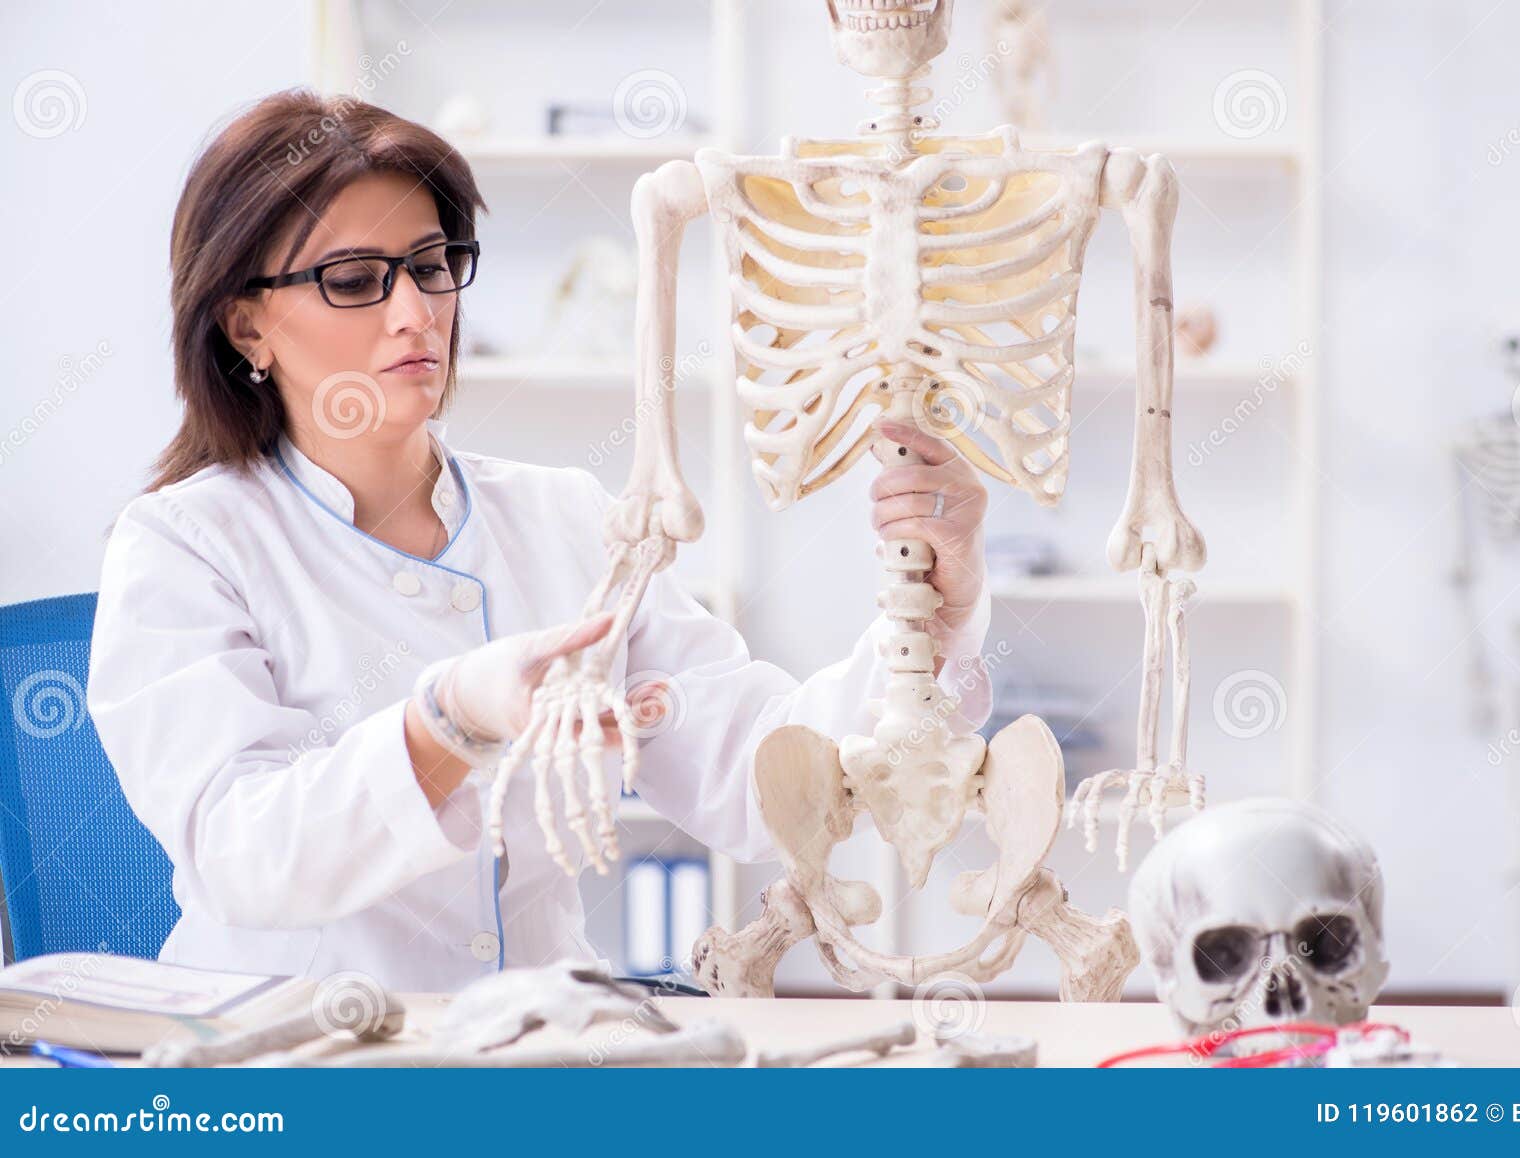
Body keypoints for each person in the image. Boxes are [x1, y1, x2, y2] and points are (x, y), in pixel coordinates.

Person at [85, 90, 994, 992]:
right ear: (247, 324)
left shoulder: (563, 517)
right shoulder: (185, 545)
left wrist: (930, 622)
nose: (416, 314)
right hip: (293, 1054)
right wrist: (446, 724)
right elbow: (245, 853)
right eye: (356, 280)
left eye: (432, 266)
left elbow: (759, 784)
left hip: (542, 1039)